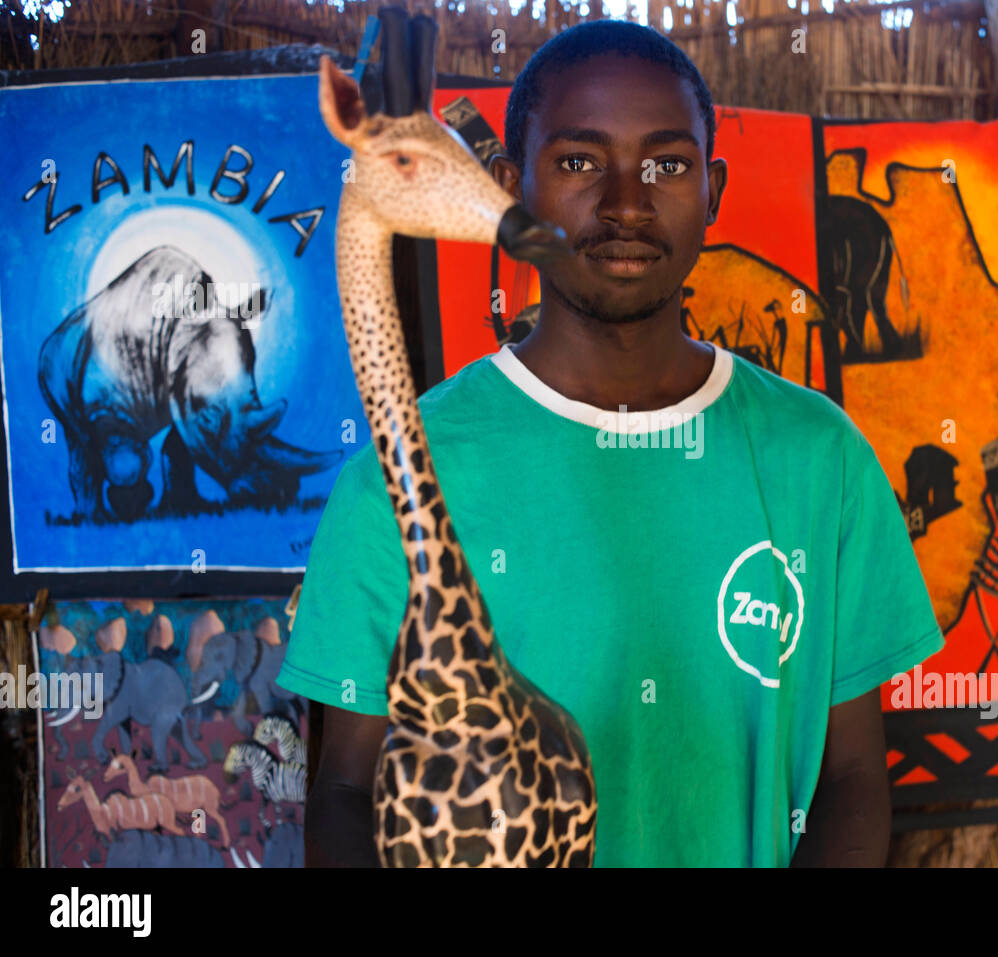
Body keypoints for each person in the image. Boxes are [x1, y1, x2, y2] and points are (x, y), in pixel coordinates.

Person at [276, 19, 944, 868]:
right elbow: (343, 791)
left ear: (713, 189)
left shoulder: (821, 458)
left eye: (667, 164)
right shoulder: (391, 481)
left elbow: (851, 774)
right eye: (580, 162)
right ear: (514, 188)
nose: (627, 202)